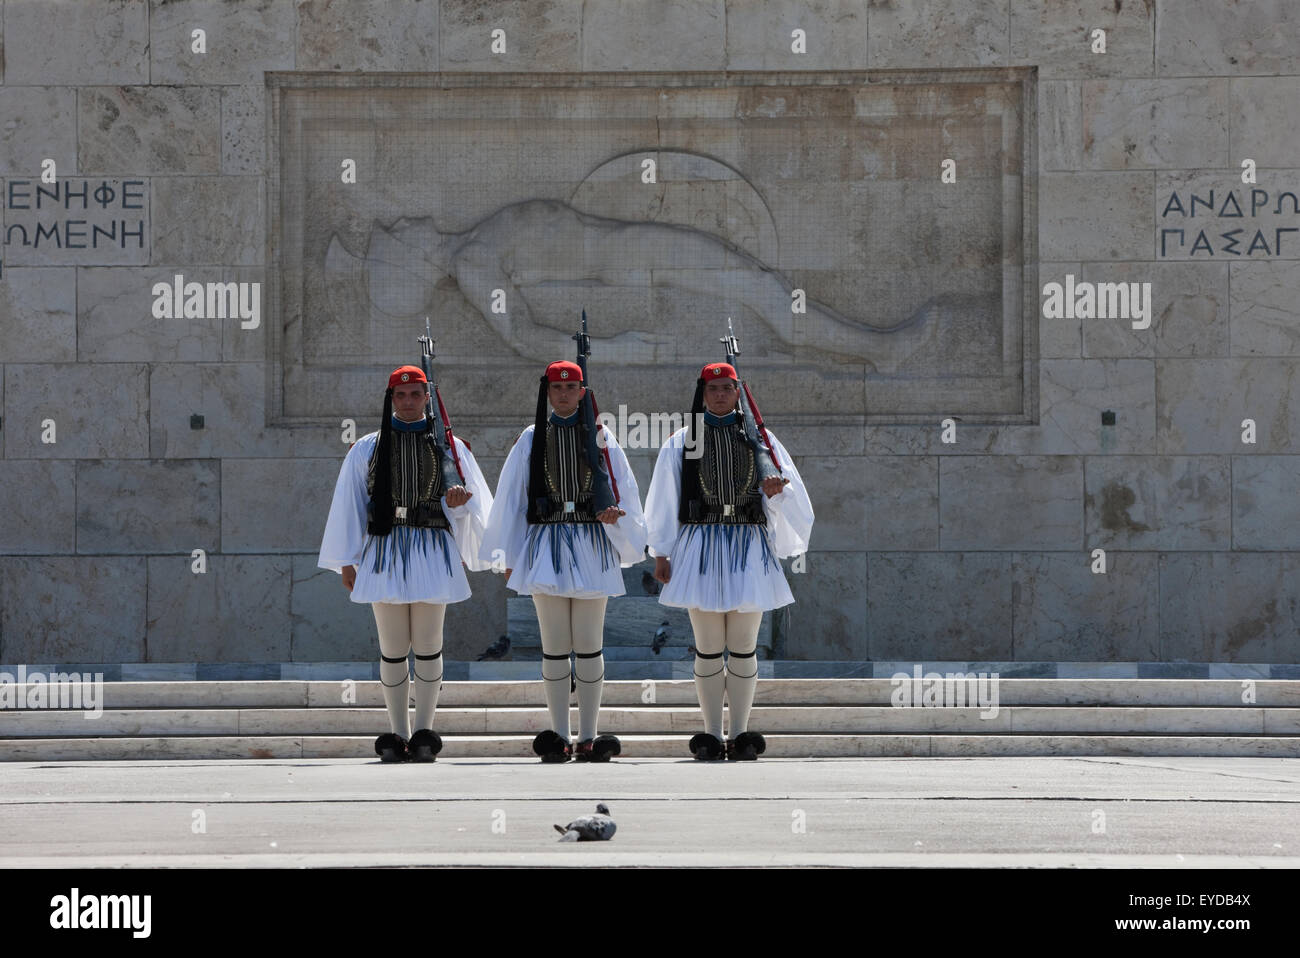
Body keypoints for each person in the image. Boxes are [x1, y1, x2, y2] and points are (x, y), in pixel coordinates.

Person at [318, 365, 493, 763]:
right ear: (391, 399)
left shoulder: (450, 447)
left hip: (432, 546)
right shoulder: (367, 447)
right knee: (393, 647)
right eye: (401, 396)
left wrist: (461, 511)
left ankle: (425, 731)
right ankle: (397, 733)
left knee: (429, 644)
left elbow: (478, 503)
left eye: (415, 395)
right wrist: (347, 560)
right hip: (384, 548)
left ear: (426, 398)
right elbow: (349, 504)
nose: (409, 401)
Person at [644, 362, 814, 761]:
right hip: (699, 543)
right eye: (713, 388)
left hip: (747, 542)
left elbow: (792, 497)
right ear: (703, 393)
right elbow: (664, 498)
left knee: (742, 646)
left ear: (738, 391)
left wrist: (775, 492)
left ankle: (740, 733)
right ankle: (709, 734)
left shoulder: (762, 439)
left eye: (727, 387)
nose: (720, 394)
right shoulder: (683, 440)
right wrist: (662, 553)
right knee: (707, 646)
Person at [481, 360, 647, 762]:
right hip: (546, 541)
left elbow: (624, 490)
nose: (564, 394)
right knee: (554, 646)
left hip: (591, 542)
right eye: (557, 388)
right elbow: (512, 498)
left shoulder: (603, 437)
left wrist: (616, 519)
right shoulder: (531, 438)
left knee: (589, 645)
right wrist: (508, 554)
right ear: (547, 392)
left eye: (571, 387)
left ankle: (588, 735)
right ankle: (558, 733)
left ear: (582, 391)